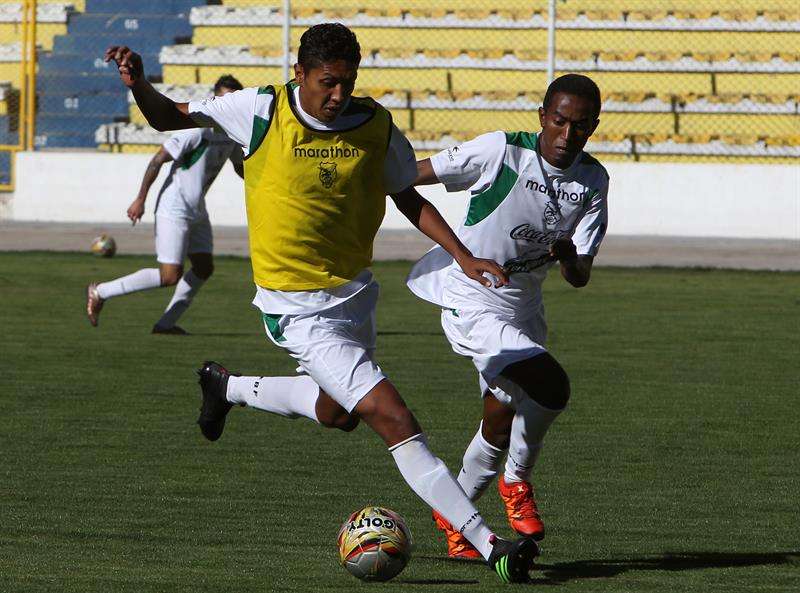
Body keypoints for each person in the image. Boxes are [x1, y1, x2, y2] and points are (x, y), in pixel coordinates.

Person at [104, 23, 538, 583]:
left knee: (338, 413)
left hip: (353, 295)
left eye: (347, 83)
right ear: (299, 74)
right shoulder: (259, 110)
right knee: (393, 418)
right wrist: (139, 85)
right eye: (328, 83)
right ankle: (488, 544)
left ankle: (226, 387)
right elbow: (171, 117)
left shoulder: (374, 124)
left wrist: (462, 255)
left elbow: (405, 192)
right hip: (294, 307)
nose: (338, 96)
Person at [407, 73, 609, 559]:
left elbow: (579, 276)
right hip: (470, 295)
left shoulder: (593, 181)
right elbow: (411, 176)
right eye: (559, 122)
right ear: (542, 117)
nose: (567, 136)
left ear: (593, 128)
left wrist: (566, 257)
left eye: (580, 127)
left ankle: (455, 521)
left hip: (523, 308)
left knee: (498, 422)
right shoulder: (501, 151)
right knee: (551, 385)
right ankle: (516, 482)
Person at [85, 75, 245, 334]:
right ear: (215, 98)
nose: (229, 104)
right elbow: (157, 160)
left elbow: (240, 167)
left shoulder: (233, 133)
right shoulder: (197, 130)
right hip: (174, 206)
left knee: (204, 267)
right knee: (170, 275)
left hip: (196, 209)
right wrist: (140, 199)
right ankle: (100, 291)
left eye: (234, 99)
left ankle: (165, 325)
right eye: (224, 98)